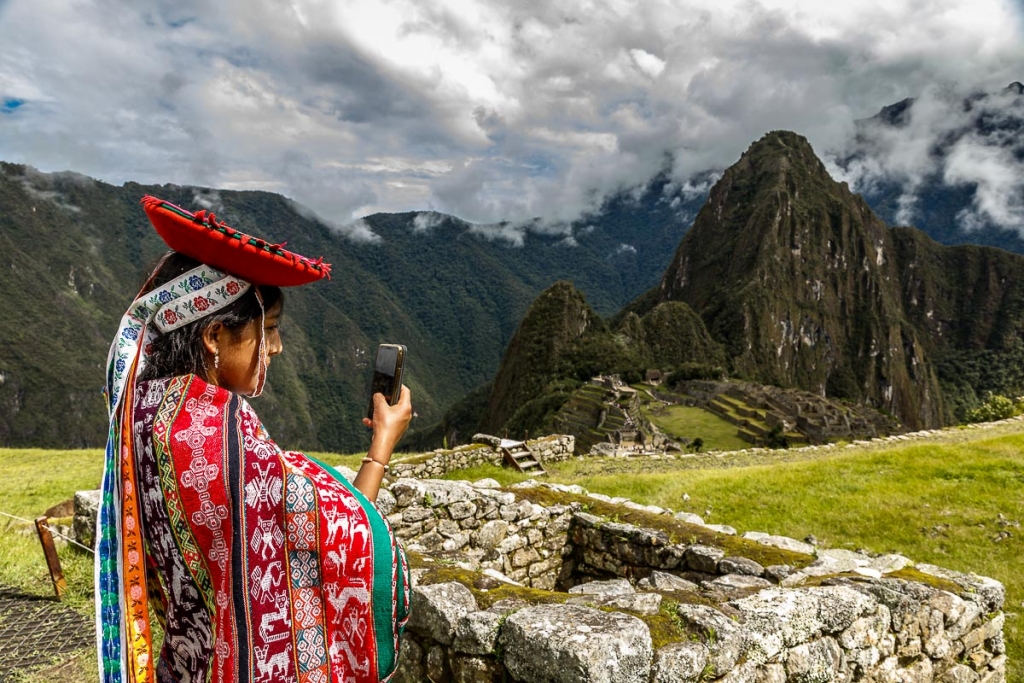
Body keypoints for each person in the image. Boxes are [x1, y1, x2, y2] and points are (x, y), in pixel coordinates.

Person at [96, 196, 411, 683]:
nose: (277, 347)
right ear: (215, 335)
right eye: (270, 329)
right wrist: (382, 446)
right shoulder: (223, 432)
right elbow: (338, 542)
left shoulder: (141, 406)